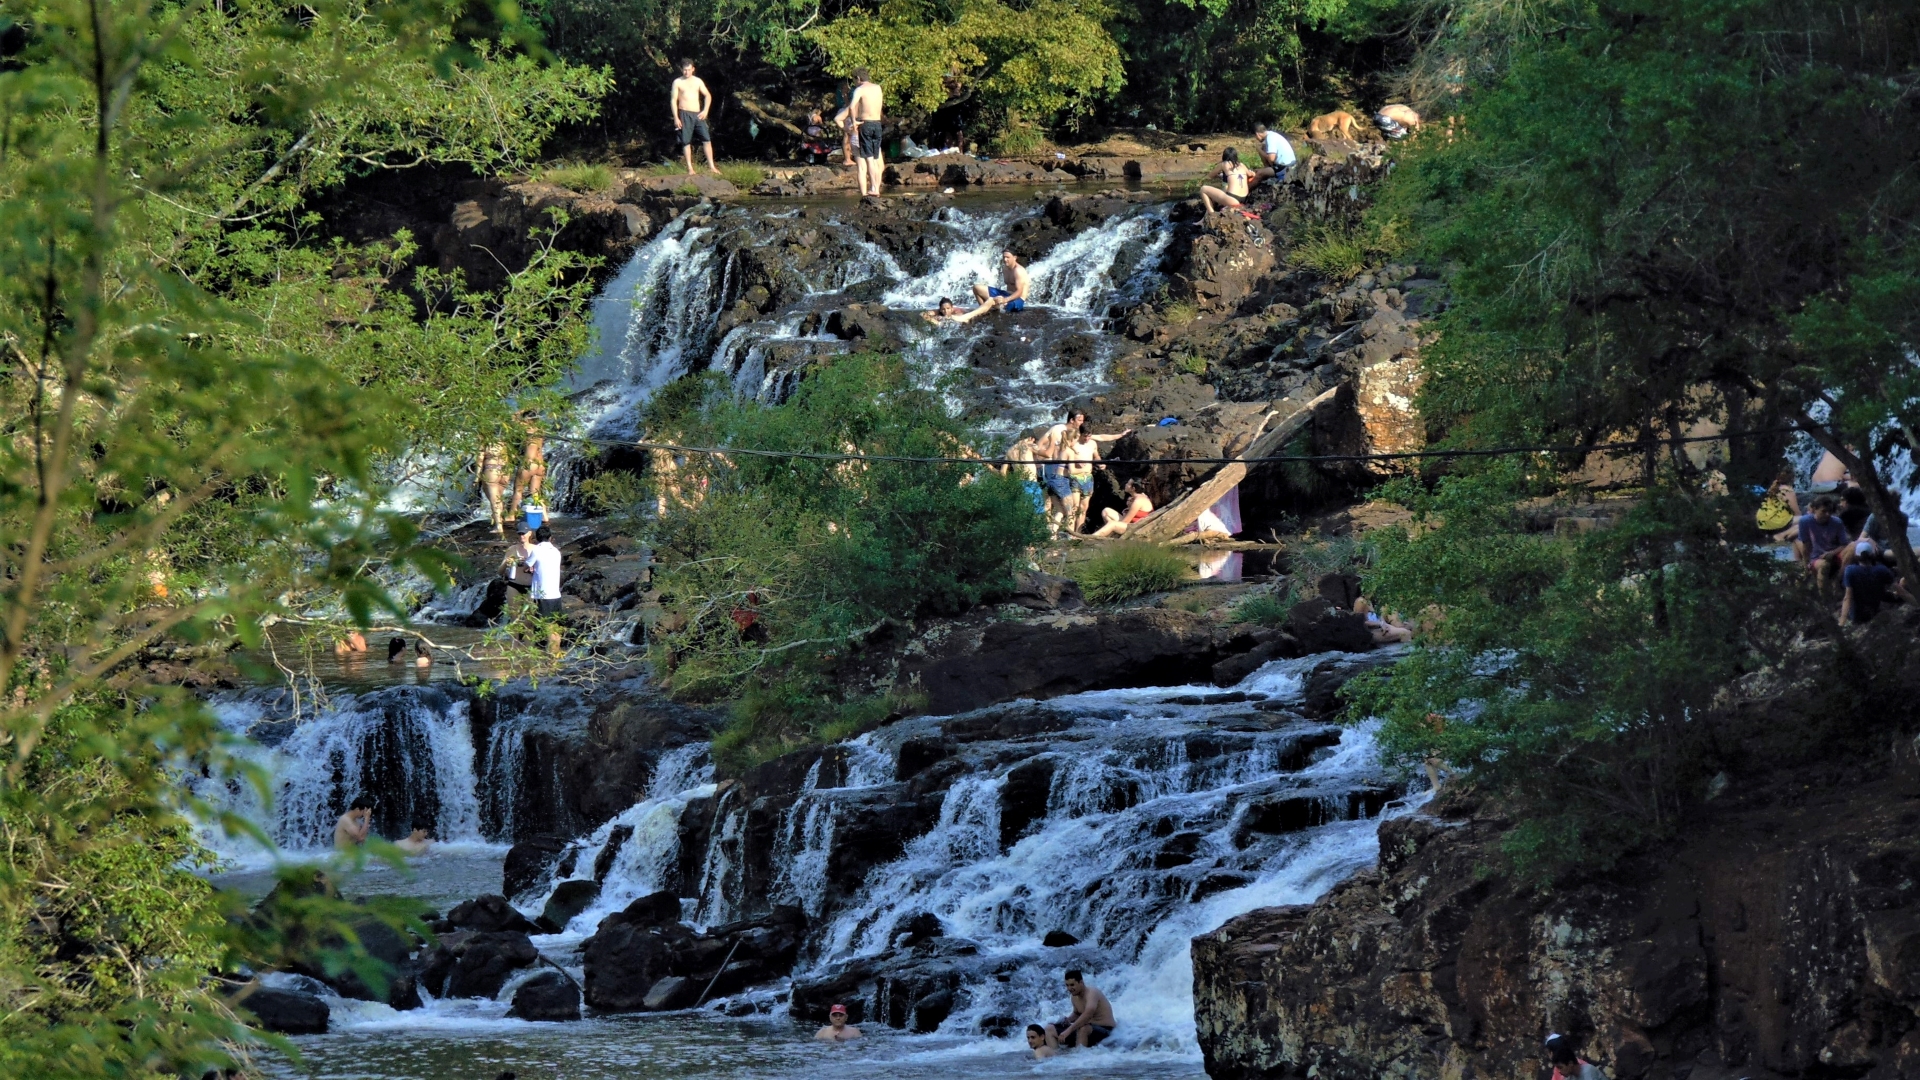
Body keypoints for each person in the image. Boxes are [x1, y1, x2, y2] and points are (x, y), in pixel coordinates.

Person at [837, 68, 885, 198]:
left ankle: (873, 188)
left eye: (854, 80)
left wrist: (854, 122)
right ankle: (877, 189)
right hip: (877, 124)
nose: (854, 83)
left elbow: (852, 106)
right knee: (876, 159)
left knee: (868, 159)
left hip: (866, 124)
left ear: (858, 78)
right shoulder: (878, 88)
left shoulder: (860, 89)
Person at [1840, 544, 1911, 625]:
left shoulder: (1850, 571)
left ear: (1856, 556)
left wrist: (1842, 621)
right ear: (1873, 555)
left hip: (1856, 616)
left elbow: (1847, 597)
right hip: (1874, 609)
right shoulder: (1881, 570)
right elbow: (1902, 592)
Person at [671, 59, 719, 177]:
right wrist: (676, 117)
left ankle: (712, 166)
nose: (686, 72)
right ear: (682, 70)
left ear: (693, 69)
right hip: (684, 113)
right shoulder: (677, 82)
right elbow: (673, 100)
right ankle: (690, 168)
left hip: (698, 114)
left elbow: (707, 95)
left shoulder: (698, 81)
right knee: (686, 141)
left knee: (706, 139)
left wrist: (706, 110)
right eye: (684, 70)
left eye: (688, 70)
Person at [523, 524, 566, 656]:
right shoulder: (556, 552)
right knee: (555, 628)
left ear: (536, 539)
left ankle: (551, 660)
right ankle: (556, 658)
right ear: (551, 538)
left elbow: (526, 565)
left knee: (547, 629)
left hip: (542, 596)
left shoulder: (536, 550)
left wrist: (527, 567)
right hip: (555, 595)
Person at [1794, 494, 1851, 590]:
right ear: (1815, 510)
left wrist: (1832, 553)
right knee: (1824, 566)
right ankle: (1824, 598)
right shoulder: (1805, 521)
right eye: (1824, 511)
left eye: (1830, 511)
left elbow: (1844, 544)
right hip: (1817, 556)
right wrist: (1806, 566)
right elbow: (1806, 546)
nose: (1827, 514)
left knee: (1852, 548)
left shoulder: (1837, 522)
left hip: (1835, 552)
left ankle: (1839, 581)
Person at [1049, 969, 1115, 1049]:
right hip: (1087, 1029)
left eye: (1072, 985)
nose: (1069, 988)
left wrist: (1068, 1030)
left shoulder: (1092, 993)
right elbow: (1077, 1013)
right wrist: (1067, 1020)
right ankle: (1054, 1057)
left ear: (1081, 982)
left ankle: (1079, 1058)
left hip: (1106, 1031)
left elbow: (1088, 1014)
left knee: (1083, 1028)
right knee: (1050, 1028)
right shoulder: (1074, 996)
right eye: (1067, 985)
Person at [960, 249, 1030, 322]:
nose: (1005, 259)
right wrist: (1003, 298)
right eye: (1004, 257)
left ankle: (967, 317)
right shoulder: (1005, 269)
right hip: (1007, 295)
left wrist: (1005, 299)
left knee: (991, 300)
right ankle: (985, 312)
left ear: (1015, 257)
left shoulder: (1018, 271)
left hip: (1017, 301)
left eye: (1007, 257)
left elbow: (1019, 292)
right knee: (976, 288)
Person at [1199, 147, 1252, 215]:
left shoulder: (1224, 164)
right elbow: (1250, 174)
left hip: (1232, 198)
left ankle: (1212, 215)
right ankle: (1204, 219)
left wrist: (1219, 175)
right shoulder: (1242, 165)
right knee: (1219, 194)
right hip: (1244, 198)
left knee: (1203, 189)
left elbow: (1210, 175)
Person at [510, 420, 546, 516]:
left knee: (518, 491)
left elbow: (513, 419)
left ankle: (511, 515)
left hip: (529, 464)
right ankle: (544, 516)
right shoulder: (540, 431)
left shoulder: (528, 429)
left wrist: (523, 410)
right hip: (540, 464)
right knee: (536, 493)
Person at [478, 441, 510, 535]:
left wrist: (476, 478)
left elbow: (479, 460)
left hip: (491, 469)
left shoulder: (485, 443)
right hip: (504, 470)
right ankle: (499, 519)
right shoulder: (503, 444)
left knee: (494, 500)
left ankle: (499, 526)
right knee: (498, 498)